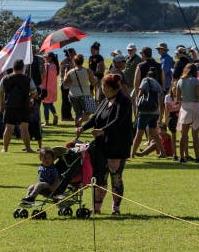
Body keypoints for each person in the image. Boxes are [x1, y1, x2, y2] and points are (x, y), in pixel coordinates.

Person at [77, 73, 133, 215]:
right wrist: (83, 127)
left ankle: (116, 208)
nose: (101, 88)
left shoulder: (124, 102)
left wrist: (103, 130)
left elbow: (119, 120)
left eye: (102, 86)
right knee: (99, 176)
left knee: (115, 176)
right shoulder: (104, 101)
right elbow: (95, 118)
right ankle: (96, 207)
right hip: (102, 145)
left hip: (118, 145)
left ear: (107, 86)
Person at [0, 59, 37, 153]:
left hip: (10, 106)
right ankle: (28, 148)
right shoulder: (28, 79)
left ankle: (5, 148)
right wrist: (28, 98)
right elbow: (34, 92)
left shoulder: (5, 78)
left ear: (13, 67)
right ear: (22, 68)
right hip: (24, 106)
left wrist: (1, 104)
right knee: (24, 128)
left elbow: (0, 93)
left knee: (9, 128)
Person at [131, 67, 165, 159]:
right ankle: (163, 152)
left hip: (145, 111)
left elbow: (140, 94)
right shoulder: (158, 84)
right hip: (155, 111)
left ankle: (132, 154)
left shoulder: (145, 80)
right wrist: (161, 115)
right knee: (154, 133)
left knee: (139, 133)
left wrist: (137, 109)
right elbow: (161, 101)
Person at [176, 63, 199, 164]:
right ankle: (197, 157)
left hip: (185, 108)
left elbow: (178, 98)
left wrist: (186, 98)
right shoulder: (195, 80)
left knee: (184, 134)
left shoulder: (180, 81)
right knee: (195, 135)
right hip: (195, 108)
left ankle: (182, 157)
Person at [61, 54, 97, 127]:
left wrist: (65, 72)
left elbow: (65, 82)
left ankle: (78, 128)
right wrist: (95, 78)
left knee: (77, 113)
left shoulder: (70, 72)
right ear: (82, 62)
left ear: (74, 62)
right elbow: (93, 82)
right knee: (89, 111)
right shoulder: (87, 71)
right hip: (85, 94)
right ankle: (80, 121)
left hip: (73, 95)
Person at [41, 52, 59, 126]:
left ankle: (47, 121)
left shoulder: (46, 66)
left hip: (46, 87)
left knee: (45, 105)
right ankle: (55, 115)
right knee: (50, 104)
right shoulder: (55, 66)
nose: (44, 58)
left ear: (50, 58)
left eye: (45, 57)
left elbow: (42, 76)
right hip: (53, 88)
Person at [163, 83, 180, 159]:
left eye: (177, 89)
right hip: (172, 117)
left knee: (183, 135)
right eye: (174, 89)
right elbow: (167, 109)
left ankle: (184, 155)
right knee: (173, 135)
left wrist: (174, 108)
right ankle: (175, 154)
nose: (175, 91)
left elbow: (181, 107)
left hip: (180, 117)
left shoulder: (180, 97)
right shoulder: (168, 97)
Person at [59, 48, 76, 121]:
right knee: (66, 100)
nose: (76, 53)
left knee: (69, 100)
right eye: (74, 52)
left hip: (70, 84)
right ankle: (65, 117)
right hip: (65, 83)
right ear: (71, 53)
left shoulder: (72, 61)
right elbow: (63, 73)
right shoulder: (65, 62)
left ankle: (68, 116)